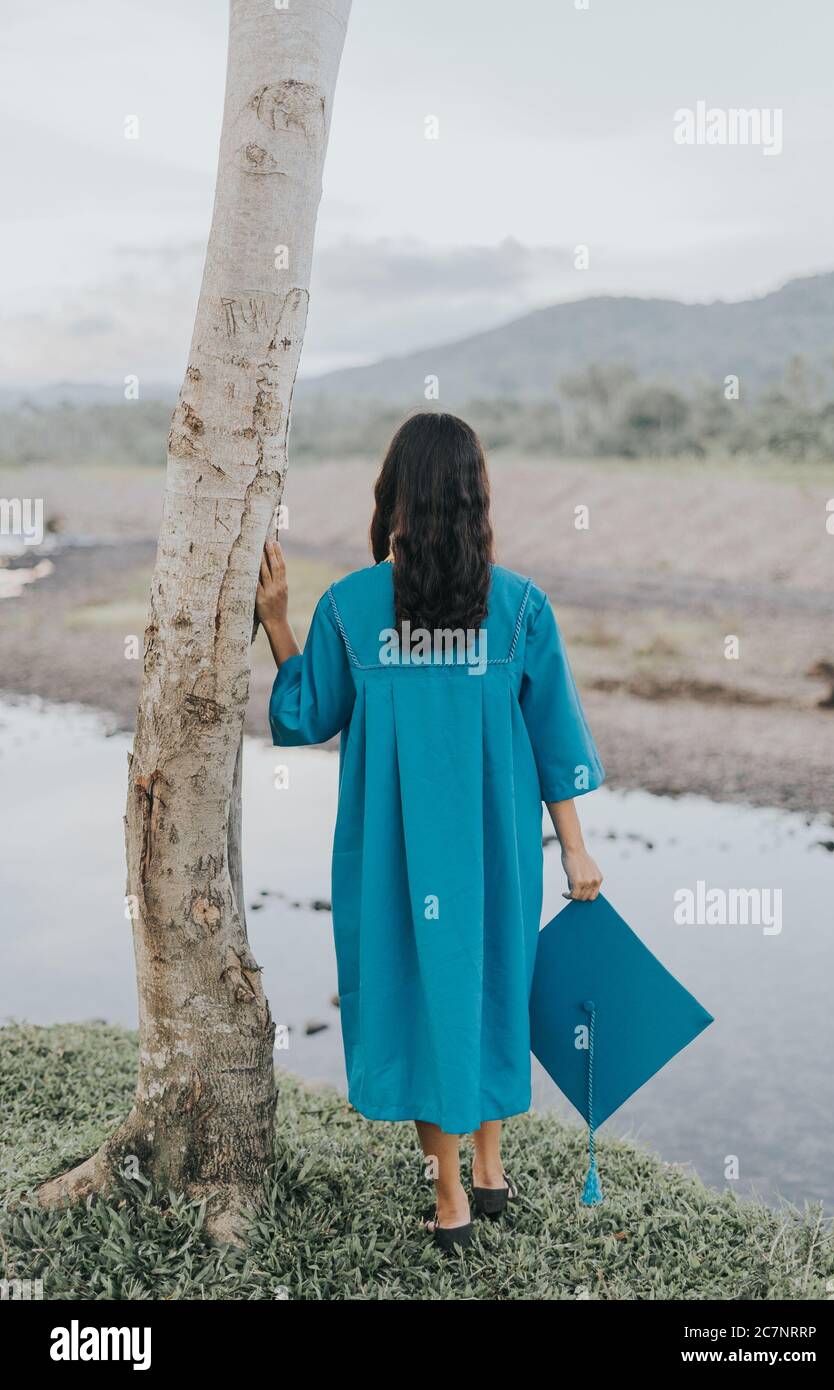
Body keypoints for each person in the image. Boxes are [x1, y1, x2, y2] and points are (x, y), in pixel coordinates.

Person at [257, 411, 604, 1251]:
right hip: (498, 852)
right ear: (474, 498)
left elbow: (308, 716)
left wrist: (276, 622)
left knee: (414, 996)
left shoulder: (349, 606)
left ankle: (451, 1195)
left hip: (393, 855)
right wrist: (578, 847)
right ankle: (488, 1172)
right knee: (489, 983)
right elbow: (556, 741)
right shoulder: (521, 607)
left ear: (394, 495)